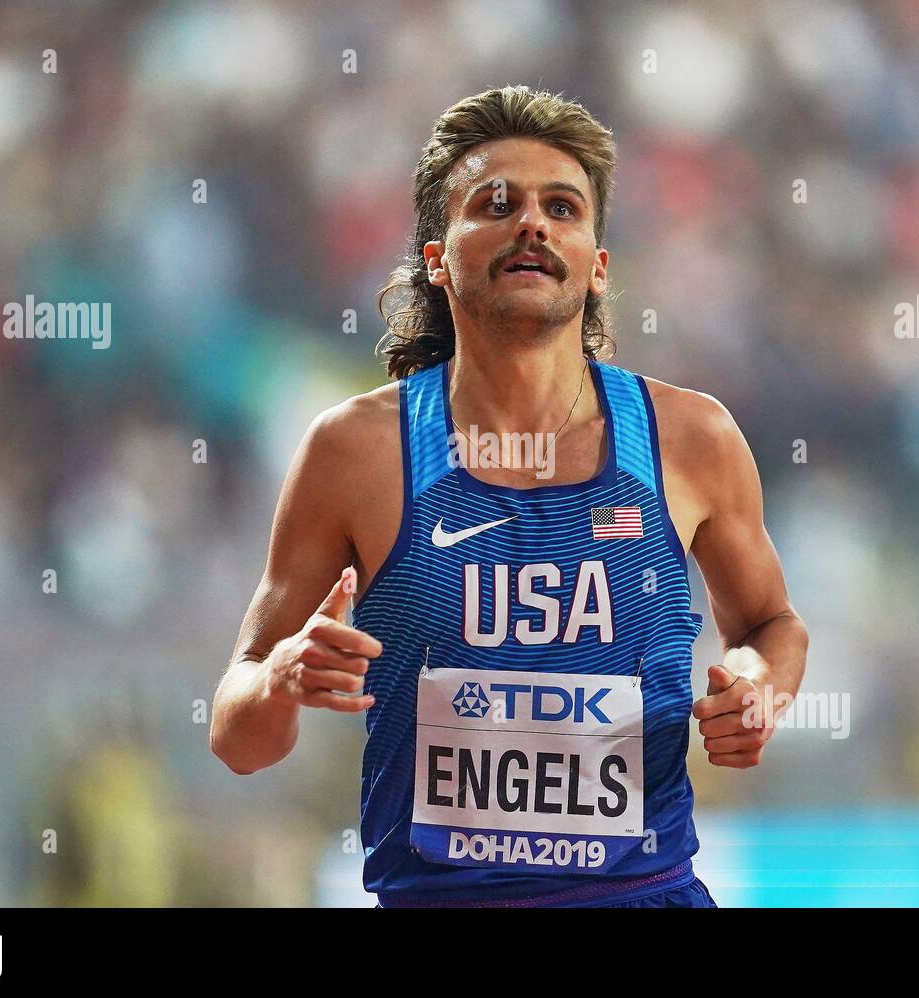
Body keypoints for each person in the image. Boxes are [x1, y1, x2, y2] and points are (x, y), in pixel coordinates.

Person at [210, 85, 808, 908]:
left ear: (597, 268)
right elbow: (238, 739)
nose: (532, 223)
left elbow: (771, 625)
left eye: (562, 208)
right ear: (434, 255)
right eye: (497, 203)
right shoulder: (354, 452)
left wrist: (756, 689)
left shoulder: (691, 439)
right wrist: (280, 676)